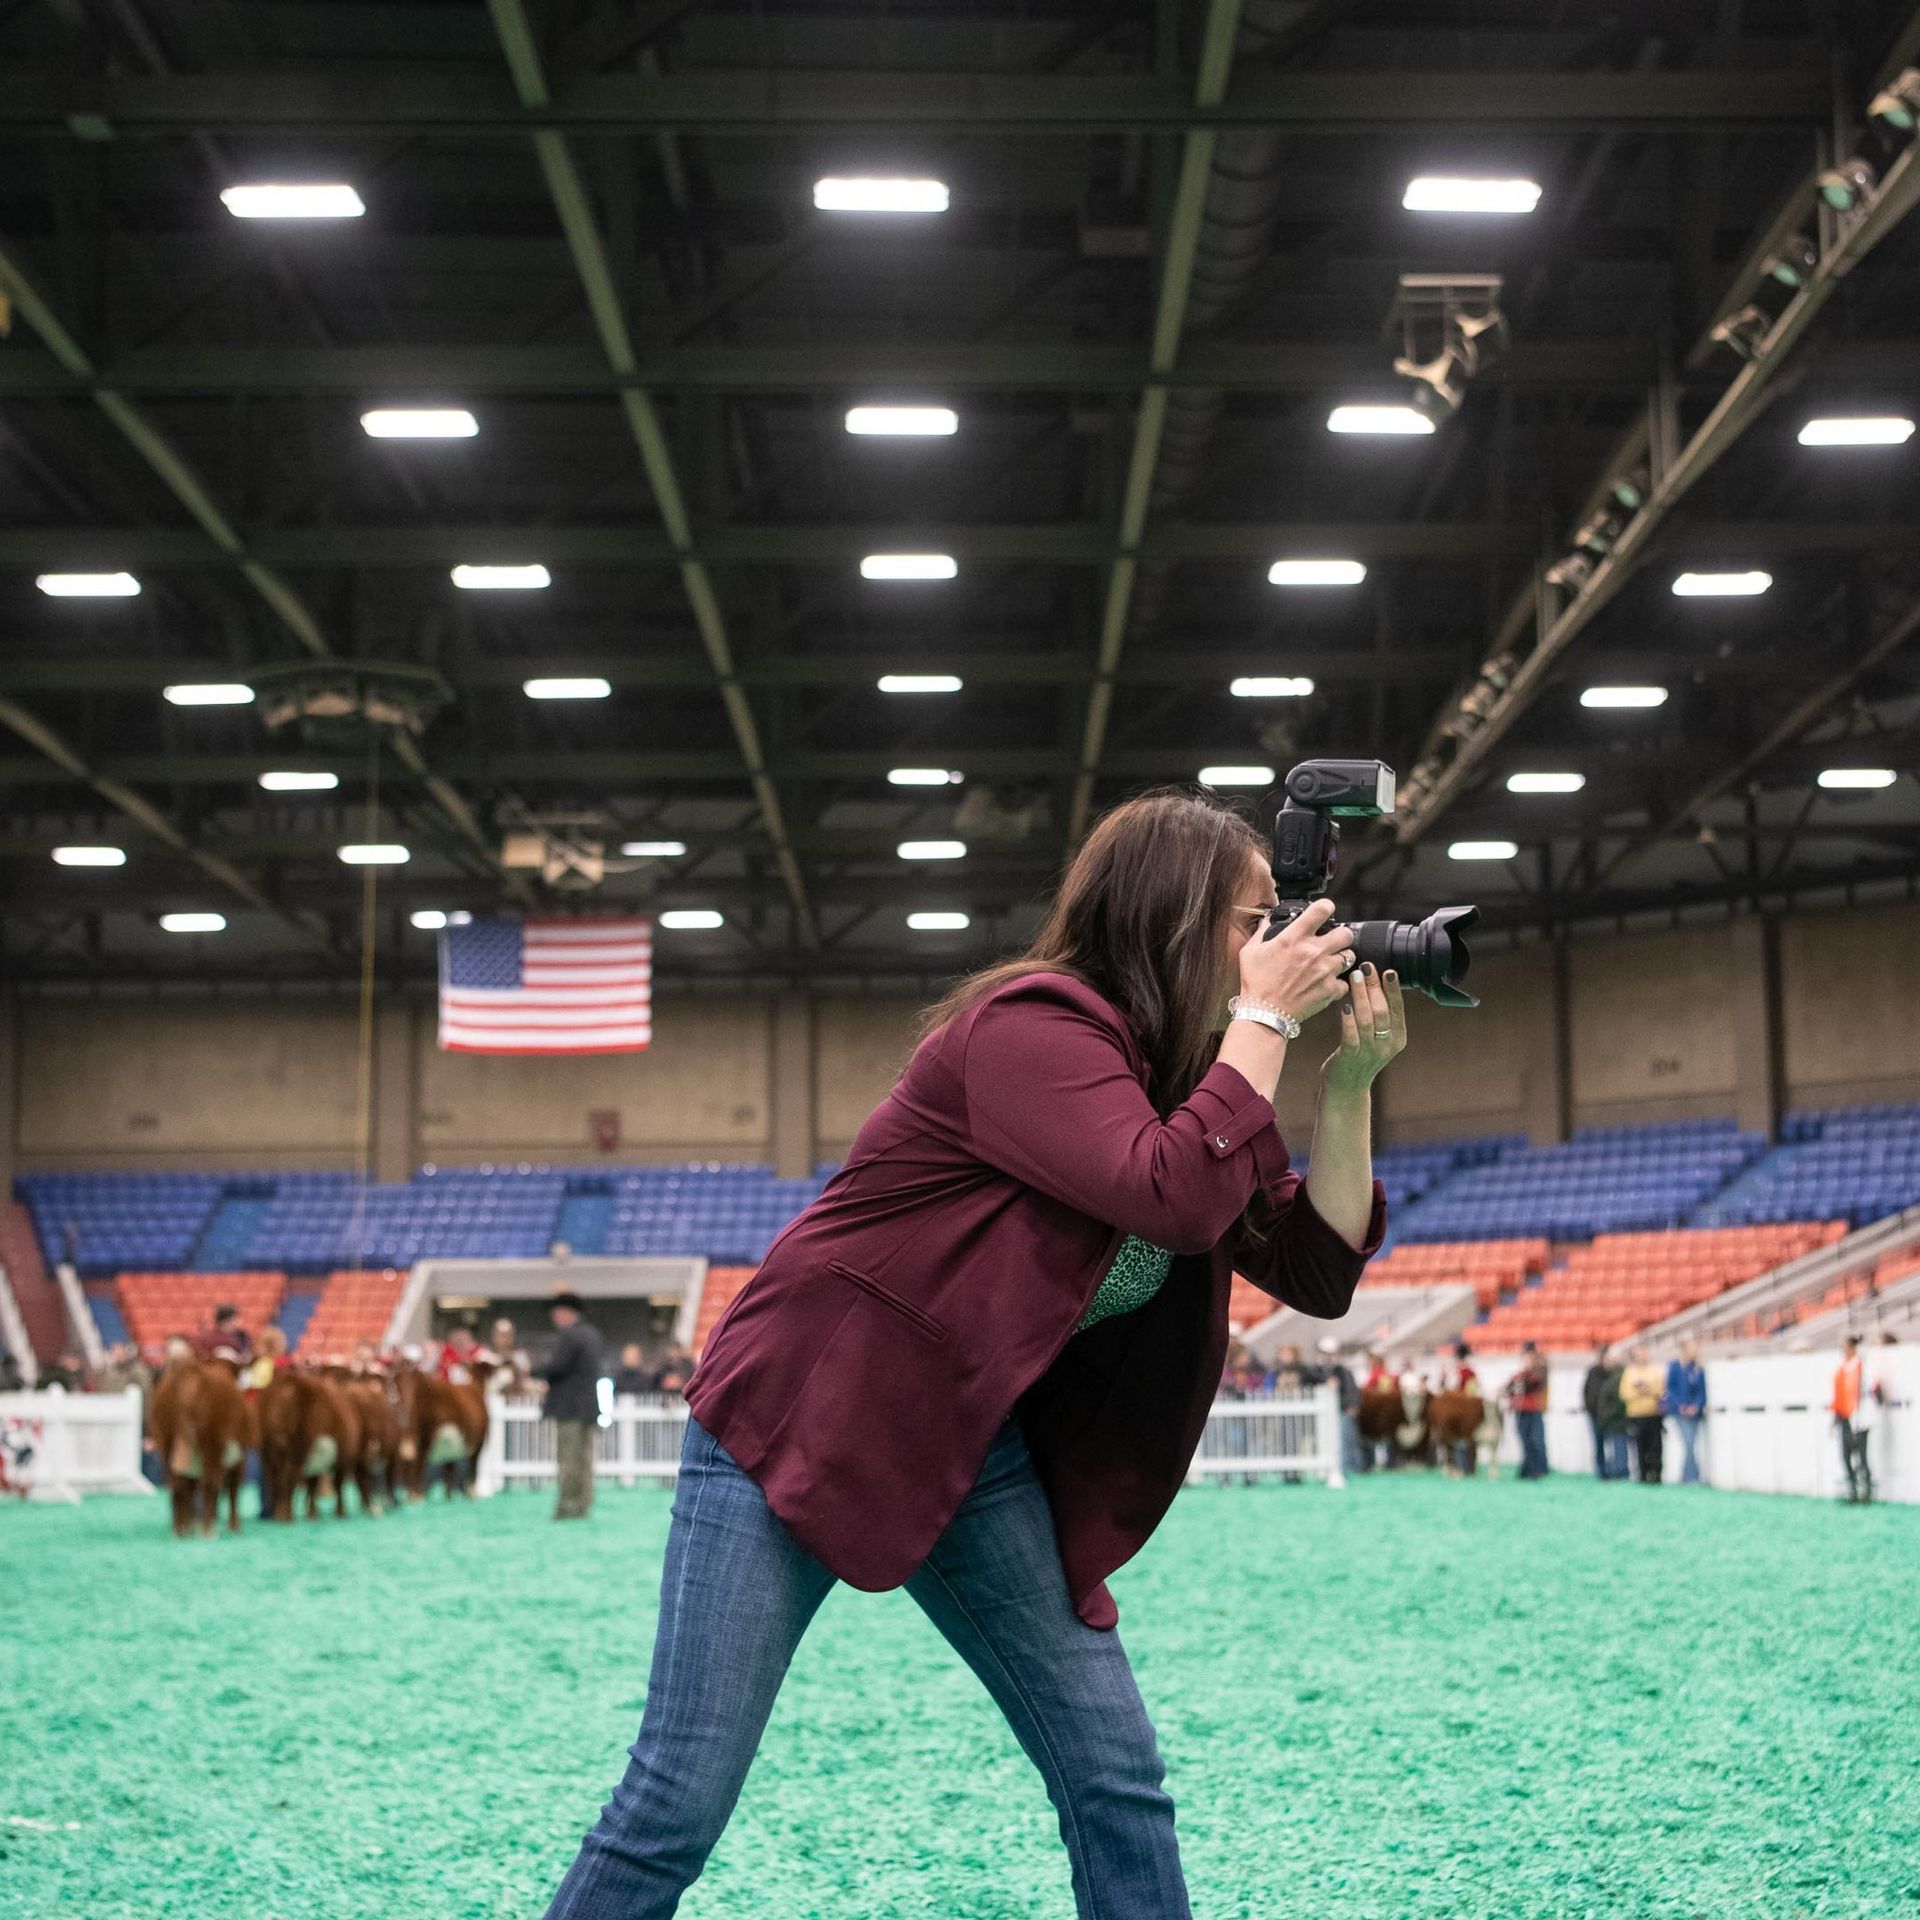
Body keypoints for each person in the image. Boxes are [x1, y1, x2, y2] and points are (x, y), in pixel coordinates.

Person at [539, 785, 1401, 1920]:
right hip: (802, 1416)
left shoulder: (1193, 1076)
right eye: (1256, 921)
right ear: (1171, 920)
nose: (1283, 943)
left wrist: (1347, 1090)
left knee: (1115, 1775)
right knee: (676, 1804)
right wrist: (1269, 1025)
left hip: (965, 1438)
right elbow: (1174, 1192)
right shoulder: (1034, 1030)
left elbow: (1315, 1272)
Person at [537, 1291, 607, 1521]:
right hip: (589, 1406)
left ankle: (567, 1506)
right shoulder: (593, 1335)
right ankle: (583, 1504)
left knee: (568, 1459)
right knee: (585, 1459)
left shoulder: (568, 1337)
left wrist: (533, 1372)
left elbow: (557, 1368)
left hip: (569, 1408)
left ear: (566, 1313)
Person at [1830, 1333, 1873, 1504]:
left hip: (1860, 1418)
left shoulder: (1861, 1367)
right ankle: (1852, 1490)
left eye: (1845, 1347)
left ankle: (1866, 1491)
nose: (1843, 1350)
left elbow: (1865, 1393)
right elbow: (1839, 1395)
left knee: (1862, 1456)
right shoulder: (1843, 1368)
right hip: (1844, 1416)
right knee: (1845, 1455)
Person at [1317, 1336, 1364, 1477]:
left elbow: (1352, 1390)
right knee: (1325, 1442)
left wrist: (1352, 1406)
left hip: (1342, 1410)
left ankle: (1346, 1470)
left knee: (1344, 1441)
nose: (1328, 1356)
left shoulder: (1344, 1371)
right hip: (1323, 1412)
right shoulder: (1317, 1371)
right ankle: (1328, 1472)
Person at [1619, 1345, 1666, 1484]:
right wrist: (1639, 1391)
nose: (1642, 1357)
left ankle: (1656, 1474)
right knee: (1640, 1446)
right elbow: (1624, 1393)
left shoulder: (1656, 1371)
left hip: (1654, 1414)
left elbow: (1661, 1390)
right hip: (1636, 1415)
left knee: (1656, 1446)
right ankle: (1643, 1474)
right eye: (1639, 1354)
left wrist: (1648, 1390)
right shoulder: (1629, 1372)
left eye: (1644, 1353)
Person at [1664, 1339, 1708, 1485]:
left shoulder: (1697, 1368)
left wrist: (1696, 1406)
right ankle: (1692, 1476)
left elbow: (1702, 1391)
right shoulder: (1675, 1366)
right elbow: (1670, 1388)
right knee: (1688, 1443)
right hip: (1679, 1412)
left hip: (1694, 1413)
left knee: (1690, 1444)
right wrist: (1680, 1405)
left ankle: (1686, 1477)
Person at [1504, 1342, 1549, 1478]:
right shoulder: (1518, 1376)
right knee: (1525, 1441)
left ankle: (1537, 1469)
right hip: (1520, 1411)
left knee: (1535, 1441)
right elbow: (1509, 1389)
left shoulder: (1537, 1375)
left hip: (1533, 1410)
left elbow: (1533, 1386)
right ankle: (1528, 1468)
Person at [1582, 1344, 1612, 1480]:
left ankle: (1611, 1469)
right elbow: (1586, 1391)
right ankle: (1601, 1471)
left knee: (1611, 1443)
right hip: (1594, 1414)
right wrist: (1589, 1408)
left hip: (1609, 1415)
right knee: (1598, 1443)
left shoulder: (1612, 1372)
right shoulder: (1592, 1371)